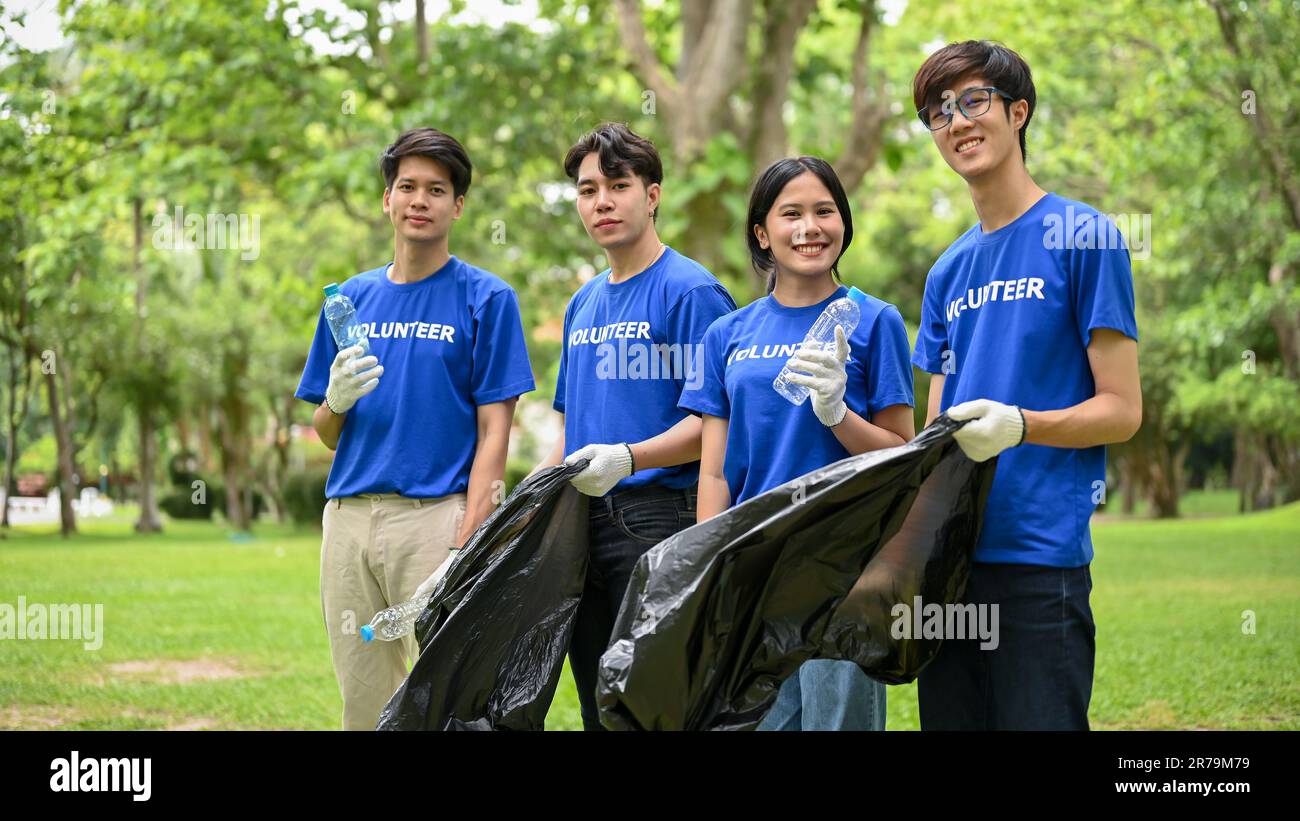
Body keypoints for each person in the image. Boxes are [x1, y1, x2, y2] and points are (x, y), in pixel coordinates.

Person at [909, 41, 1142, 730]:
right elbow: (934, 429)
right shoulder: (945, 272)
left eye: (973, 101)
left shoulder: (1084, 237)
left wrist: (1023, 425)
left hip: (1038, 561)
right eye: (938, 112)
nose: (955, 121)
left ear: (1019, 112)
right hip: (949, 565)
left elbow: (1123, 409)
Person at [294, 128, 536, 730]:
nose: (419, 200)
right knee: (363, 698)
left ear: (457, 205)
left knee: (450, 696)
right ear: (387, 200)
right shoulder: (348, 300)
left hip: (437, 520)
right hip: (348, 520)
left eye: (436, 189)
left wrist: (466, 544)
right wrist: (335, 399)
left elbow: (495, 436)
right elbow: (325, 432)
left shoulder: (487, 298)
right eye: (407, 187)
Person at [680, 156, 915, 731]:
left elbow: (903, 456)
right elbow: (714, 473)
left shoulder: (874, 320)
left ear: (843, 223)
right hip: (754, 565)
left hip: (845, 565)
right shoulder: (727, 335)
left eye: (823, 211)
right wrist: (706, 568)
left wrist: (837, 414)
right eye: (791, 214)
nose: (809, 227)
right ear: (762, 232)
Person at [532, 123, 737, 730]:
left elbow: (716, 423)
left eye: (618, 185)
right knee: (600, 705)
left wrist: (629, 456)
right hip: (581, 525)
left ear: (652, 196)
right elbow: (566, 426)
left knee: (656, 706)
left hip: (658, 522)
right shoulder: (583, 302)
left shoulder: (691, 291)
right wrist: (528, 501)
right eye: (588, 189)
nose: (602, 202)